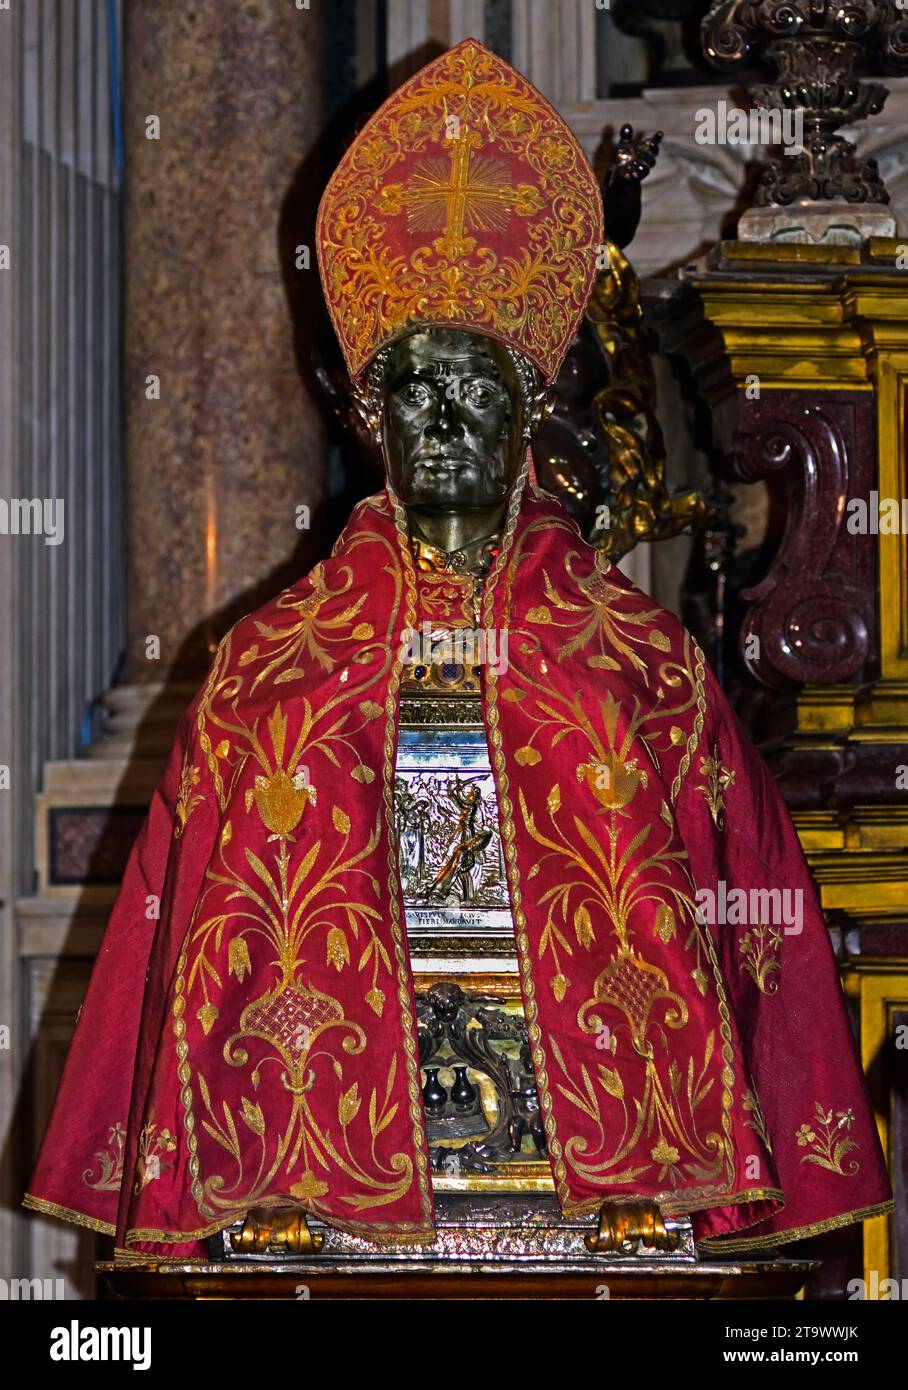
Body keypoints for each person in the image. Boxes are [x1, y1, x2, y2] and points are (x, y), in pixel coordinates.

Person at [25, 39, 890, 1258]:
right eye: (410, 388)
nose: (439, 420)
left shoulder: (634, 661)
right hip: (331, 1220)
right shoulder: (269, 668)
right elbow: (191, 937)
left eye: (472, 386)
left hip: (595, 1219)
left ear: (528, 410)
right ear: (370, 414)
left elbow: (745, 907)